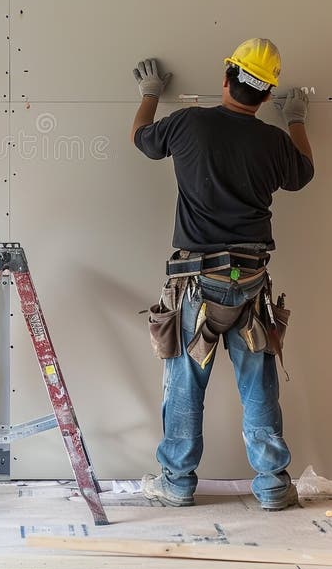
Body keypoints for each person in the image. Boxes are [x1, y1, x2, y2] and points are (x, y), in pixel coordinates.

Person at [131, 39, 314, 511]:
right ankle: (273, 485)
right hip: (251, 285)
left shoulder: (190, 124)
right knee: (258, 383)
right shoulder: (274, 142)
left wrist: (151, 92)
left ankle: (176, 482)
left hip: (198, 283)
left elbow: (141, 137)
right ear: (267, 95)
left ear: (226, 77)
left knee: (186, 382)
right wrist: (295, 120)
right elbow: (304, 173)